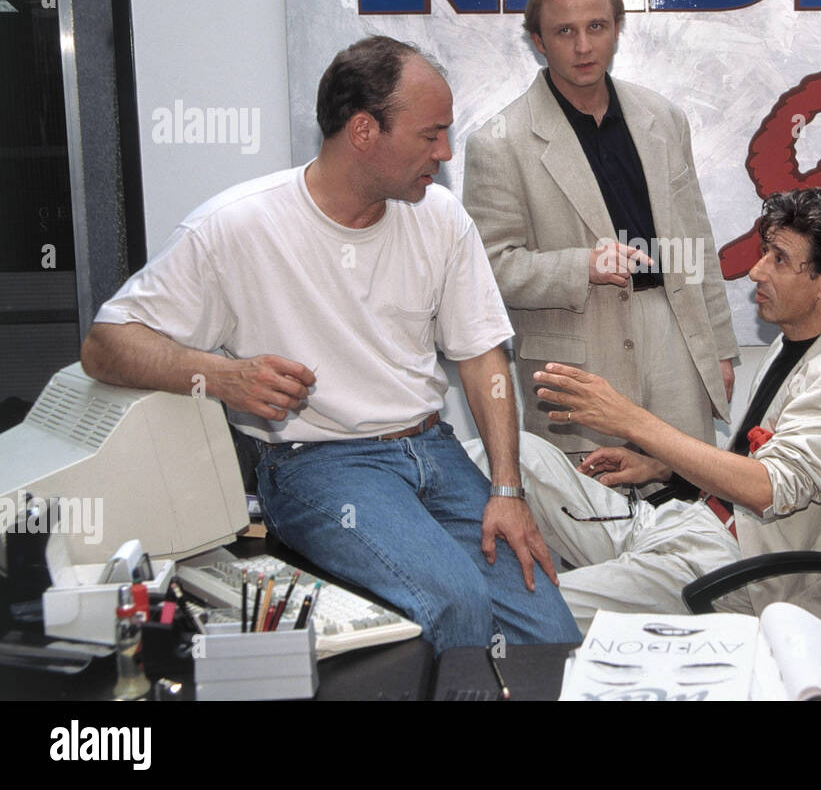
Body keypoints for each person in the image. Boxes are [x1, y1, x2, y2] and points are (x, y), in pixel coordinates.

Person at [79, 36, 581, 653]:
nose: (446, 152)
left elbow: (483, 359)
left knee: (551, 635)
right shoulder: (238, 226)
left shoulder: (442, 217)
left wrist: (507, 490)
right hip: (319, 465)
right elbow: (105, 345)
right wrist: (222, 376)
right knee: (456, 603)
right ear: (364, 130)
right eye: (430, 135)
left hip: (435, 451)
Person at [485, 189, 821, 630]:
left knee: (529, 612)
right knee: (517, 456)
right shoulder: (795, 341)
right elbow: (751, 461)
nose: (756, 271)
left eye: (778, 259)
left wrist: (630, 420)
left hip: (743, 569)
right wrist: (661, 468)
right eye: (764, 253)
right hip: (691, 522)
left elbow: (768, 489)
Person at [462, 0, 739, 498]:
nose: (583, 47)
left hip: (675, 331)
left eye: (596, 27)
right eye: (564, 31)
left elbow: (696, 241)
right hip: (578, 350)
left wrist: (719, 348)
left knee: (690, 496)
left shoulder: (663, 117)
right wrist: (580, 265)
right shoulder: (498, 141)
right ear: (539, 42)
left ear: (617, 29)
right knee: (595, 518)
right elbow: (488, 270)